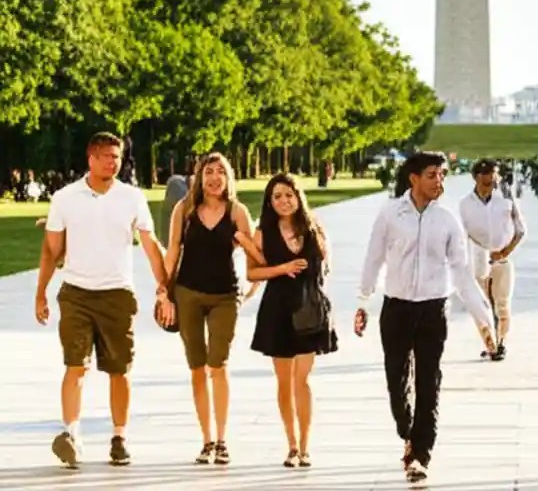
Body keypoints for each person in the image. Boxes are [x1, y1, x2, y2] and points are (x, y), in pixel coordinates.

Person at [355, 152, 496, 484]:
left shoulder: (447, 220)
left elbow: (462, 273)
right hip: (397, 308)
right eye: (432, 175)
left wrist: (484, 320)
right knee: (396, 381)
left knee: (429, 381)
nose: (439, 181)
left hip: (433, 308)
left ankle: (421, 453)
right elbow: (373, 258)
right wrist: (363, 301)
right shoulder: (390, 214)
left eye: (442, 175)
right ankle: (407, 430)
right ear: (413, 178)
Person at [34, 132, 172, 469]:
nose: (114, 162)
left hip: (118, 295)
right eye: (107, 156)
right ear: (91, 158)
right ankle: (71, 434)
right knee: (75, 365)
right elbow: (52, 250)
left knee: (119, 371)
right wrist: (41, 293)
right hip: (76, 294)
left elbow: (151, 244)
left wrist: (165, 285)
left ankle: (119, 437)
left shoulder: (132, 197)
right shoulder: (65, 198)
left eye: (117, 157)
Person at [164, 152, 262, 465]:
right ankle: (205, 441)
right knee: (196, 368)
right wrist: (163, 293)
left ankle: (222, 440)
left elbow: (257, 258)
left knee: (218, 364)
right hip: (187, 293)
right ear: (199, 176)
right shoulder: (185, 209)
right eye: (209, 171)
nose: (214, 177)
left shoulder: (238, 211)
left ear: (228, 178)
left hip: (224, 296)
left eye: (221, 172)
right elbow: (172, 254)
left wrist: (247, 291)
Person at [248, 173, 339, 468]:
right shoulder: (263, 232)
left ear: (298, 197)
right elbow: (252, 273)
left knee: (302, 378)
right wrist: (281, 268)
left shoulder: (314, 227)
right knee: (284, 381)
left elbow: (327, 266)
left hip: (309, 309)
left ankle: (305, 446)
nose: (284, 201)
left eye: (289, 194)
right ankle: (290, 445)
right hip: (278, 310)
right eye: (277, 196)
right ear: (270, 202)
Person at [459, 158, 526, 361]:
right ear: (478, 177)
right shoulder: (465, 204)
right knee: (482, 305)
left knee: (502, 303)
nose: (493, 178)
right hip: (478, 259)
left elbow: (521, 230)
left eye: (495, 174)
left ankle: (501, 342)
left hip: (502, 258)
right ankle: (490, 343)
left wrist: (505, 251)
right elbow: (462, 236)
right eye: (489, 174)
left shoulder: (505, 198)